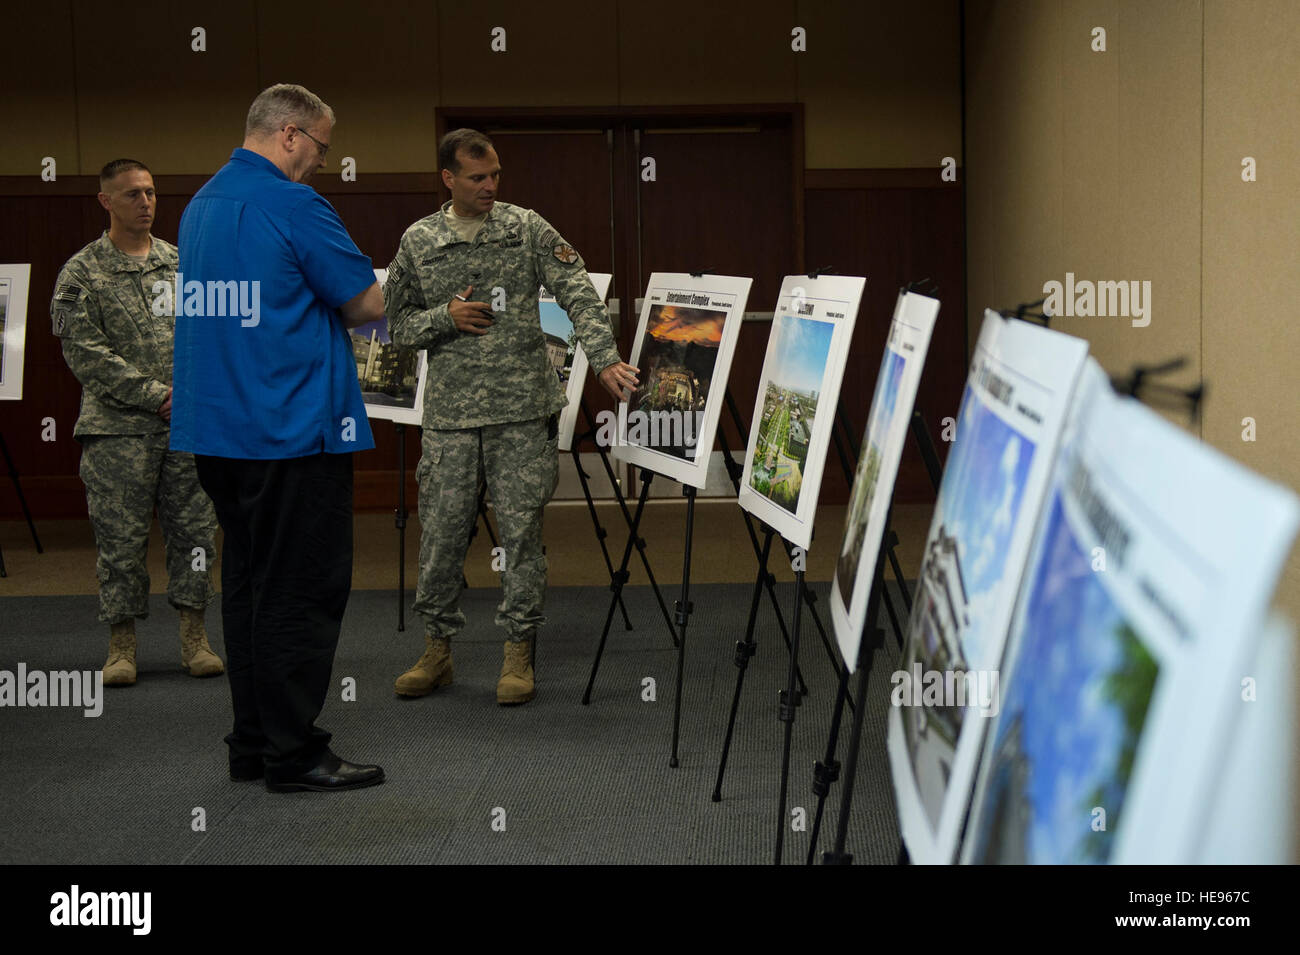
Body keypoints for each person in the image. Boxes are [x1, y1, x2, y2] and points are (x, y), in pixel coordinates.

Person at [170, 84, 385, 793]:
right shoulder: (295, 204)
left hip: (218, 432)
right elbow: (365, 302)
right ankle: (294, 754)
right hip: (290, 431)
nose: (323, 161)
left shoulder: (200, 204)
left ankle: (254, 743)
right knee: (300, 591)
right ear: (290, 133)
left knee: (249, 586)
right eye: (322, 146)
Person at [385, 128, 639, 705]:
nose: (490, 186)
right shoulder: (418, 241)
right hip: (450, 418)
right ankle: (436, 651)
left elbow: (578, 292)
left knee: (522, 537)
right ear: (448, 178)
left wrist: (604, 358)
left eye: (495, 174)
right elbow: (396, 325)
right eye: (477, 177)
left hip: (522, 413)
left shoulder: (525, 228)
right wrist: (444, 318)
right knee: (442, 537)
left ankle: (519, 652)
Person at [52, 159, 222, 687]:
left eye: (150, 192)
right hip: (117, 431)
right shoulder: (82, 272)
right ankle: (121, 645)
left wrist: (191, 395)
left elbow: (211, 335)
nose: (145, 202)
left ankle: (195, 638)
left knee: (196, 536)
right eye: (132, 194)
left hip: (186, 427)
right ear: (106, 201)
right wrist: (156, 396)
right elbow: (86, 353)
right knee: (120, 542)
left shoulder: (183, 264)